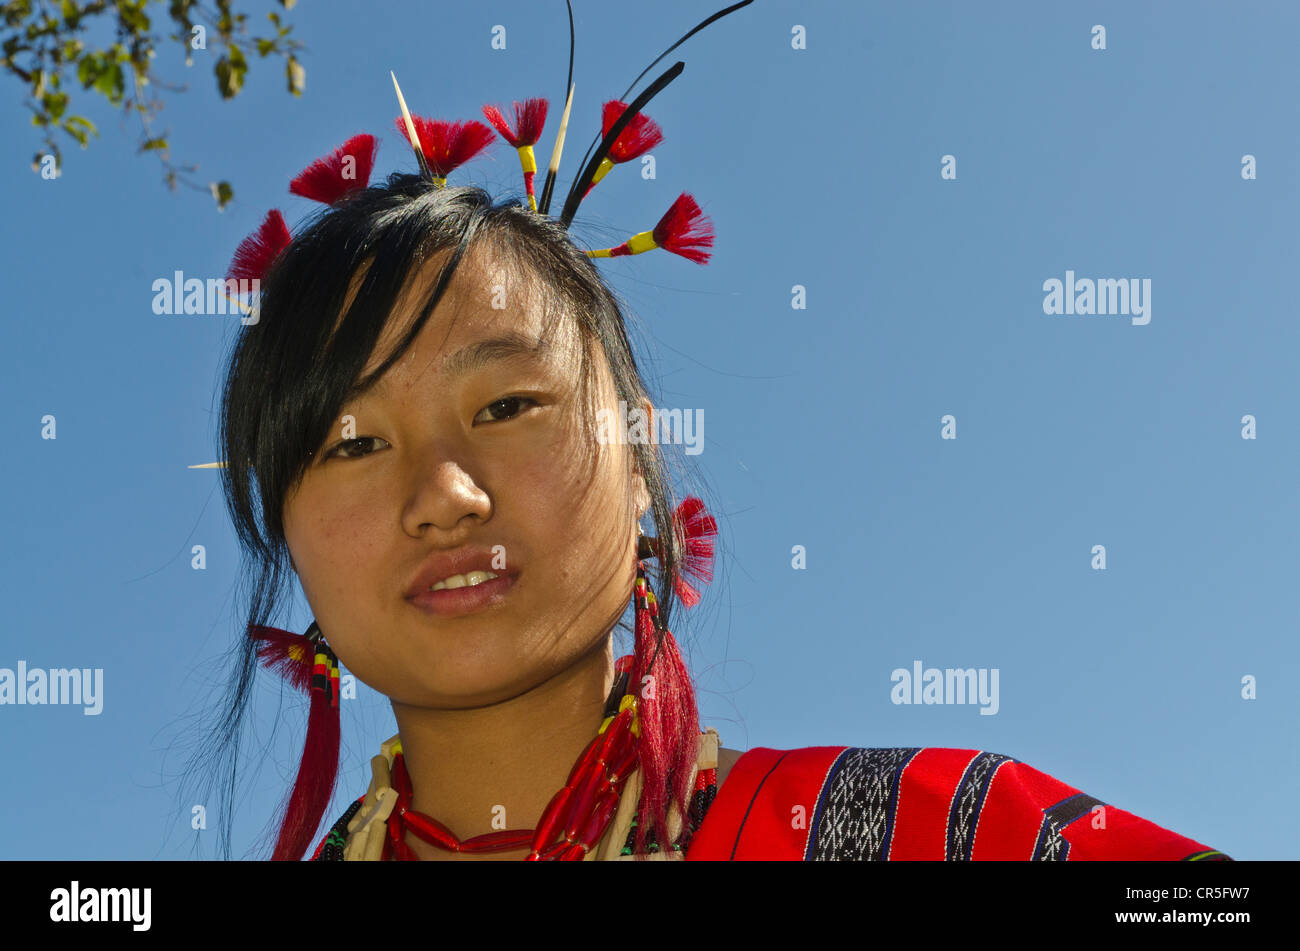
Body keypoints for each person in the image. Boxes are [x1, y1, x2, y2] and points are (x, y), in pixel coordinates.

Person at [191, 1, 1231, 862]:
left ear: (640, 456)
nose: (445, 495)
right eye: (352, 444)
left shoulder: (943, 832)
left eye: (507, 407)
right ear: (285, 526)